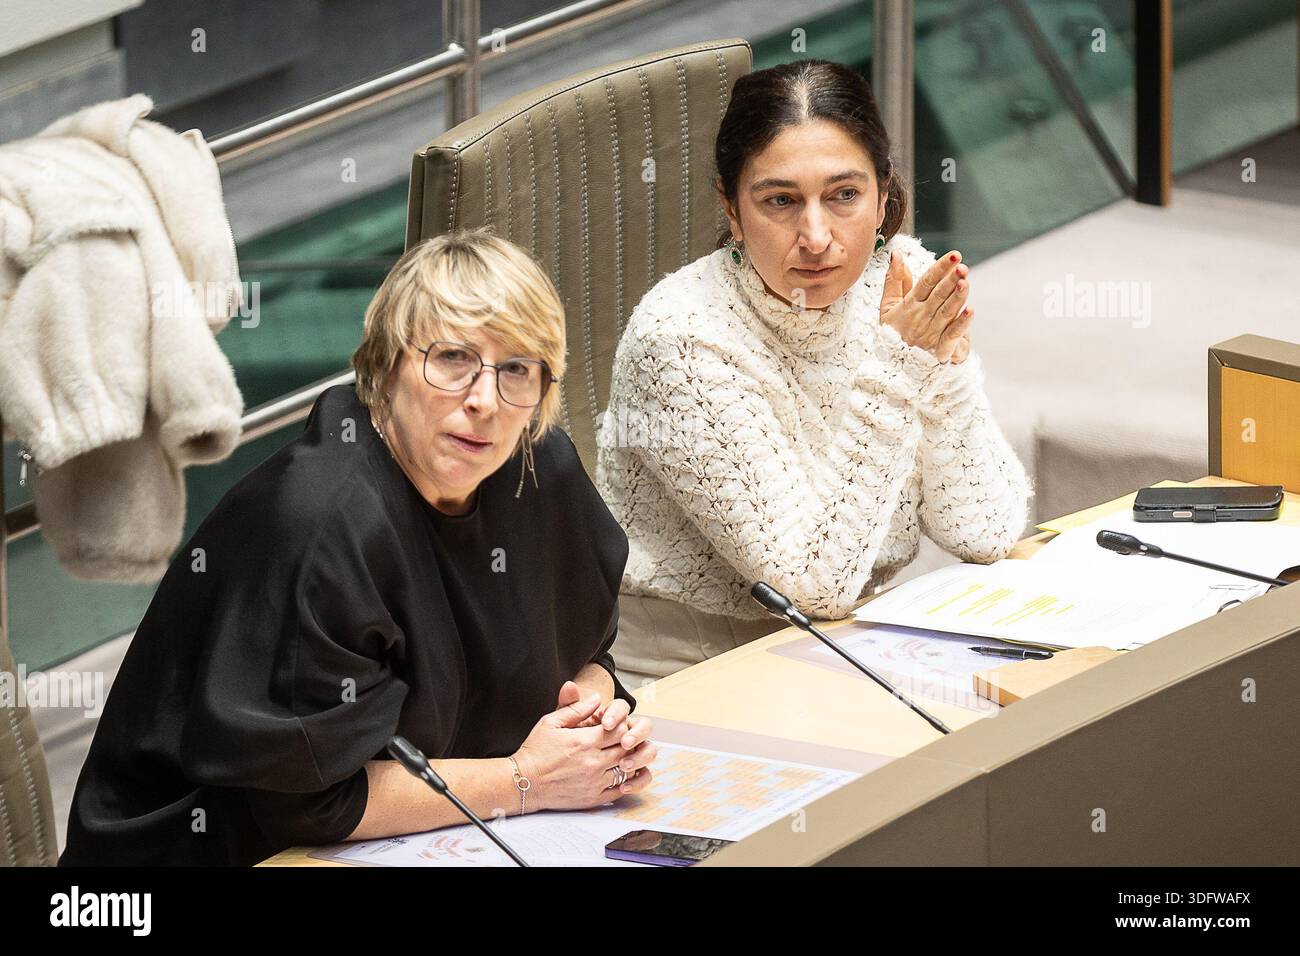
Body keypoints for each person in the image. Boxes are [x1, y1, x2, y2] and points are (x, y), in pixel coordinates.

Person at [60, 228, 655, 866]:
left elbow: (588, 656)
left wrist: (591, 726)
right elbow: (308, 802)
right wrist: (527, 782)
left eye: (516, 368)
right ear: (386, 364)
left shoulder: (540, 469)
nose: (485, 401)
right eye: (452, 359)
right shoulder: (321, 521)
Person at [596, 60, 1033, 687]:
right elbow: (809, 587)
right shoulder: (681, 338)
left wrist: (944, 368)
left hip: (858, 641)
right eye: (781, 201)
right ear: (731, 207)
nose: (817, 236)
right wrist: (898, 369)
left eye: (844, 196)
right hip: (696, 671)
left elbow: (985, 529)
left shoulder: (901, 275)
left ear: (884, 196)